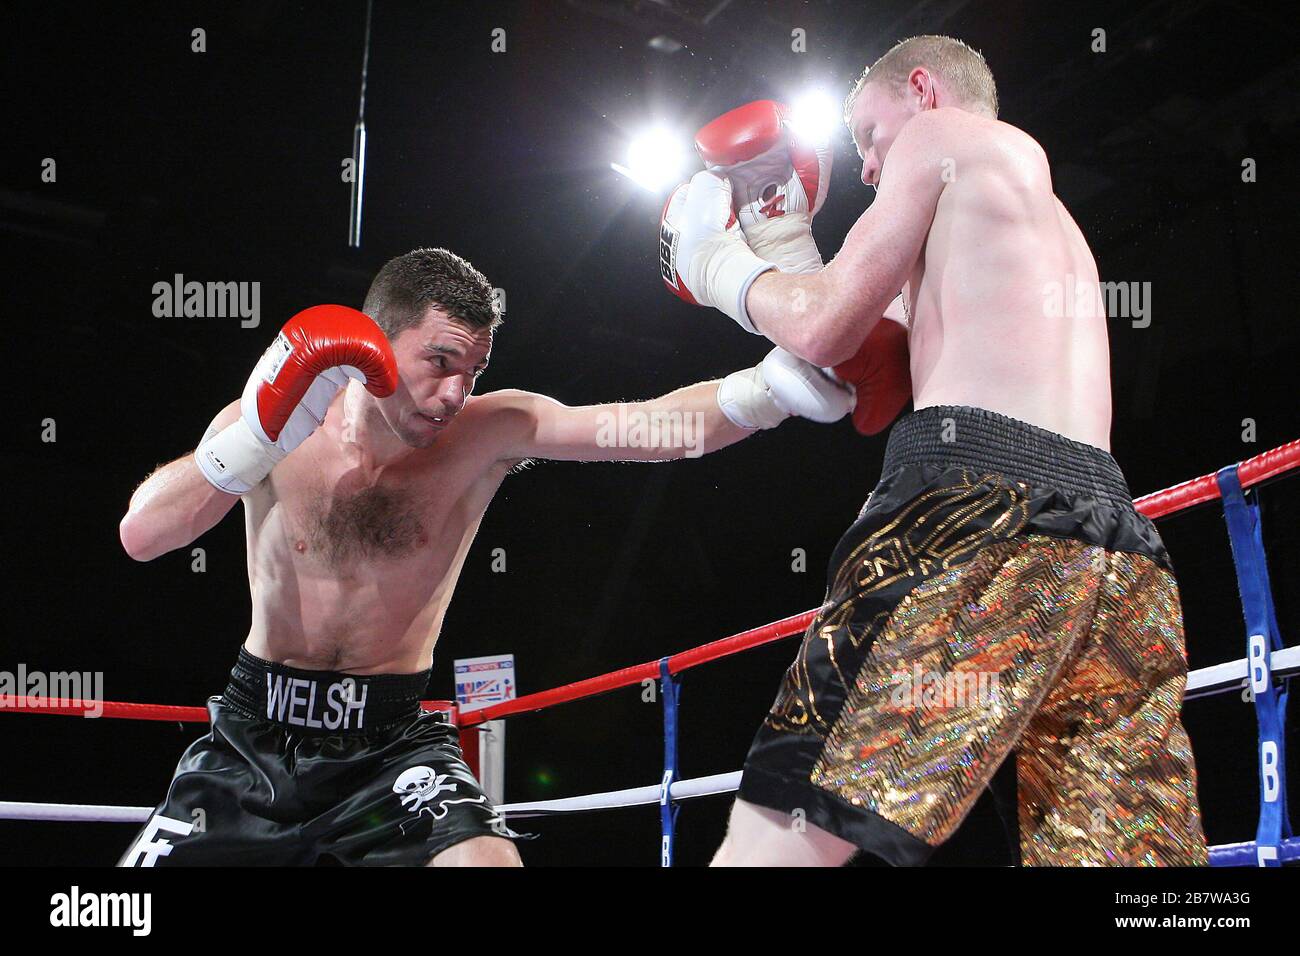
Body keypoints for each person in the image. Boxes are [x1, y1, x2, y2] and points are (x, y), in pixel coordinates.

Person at [117, 247, 865, 866]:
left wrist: (774, 390)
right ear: (374, 343)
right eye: (438, 361)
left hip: (391, 747)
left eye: (471, 371)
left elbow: (645, 427)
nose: (452, 393)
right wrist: (253, 438)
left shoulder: (488, 432)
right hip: (252, 739)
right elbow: (144, 536)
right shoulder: (273, 423)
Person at [660, 35, 1207, 866]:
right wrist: (786, 249)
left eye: (869, 138)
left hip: (973, 512)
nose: (871, 169)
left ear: (921, 91)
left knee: (785, 837)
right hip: (1113, 549)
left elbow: (820, 323)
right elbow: (871, 386)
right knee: (1125, 858)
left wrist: (717, 263)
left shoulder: (941, 140)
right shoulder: (1040, 229)